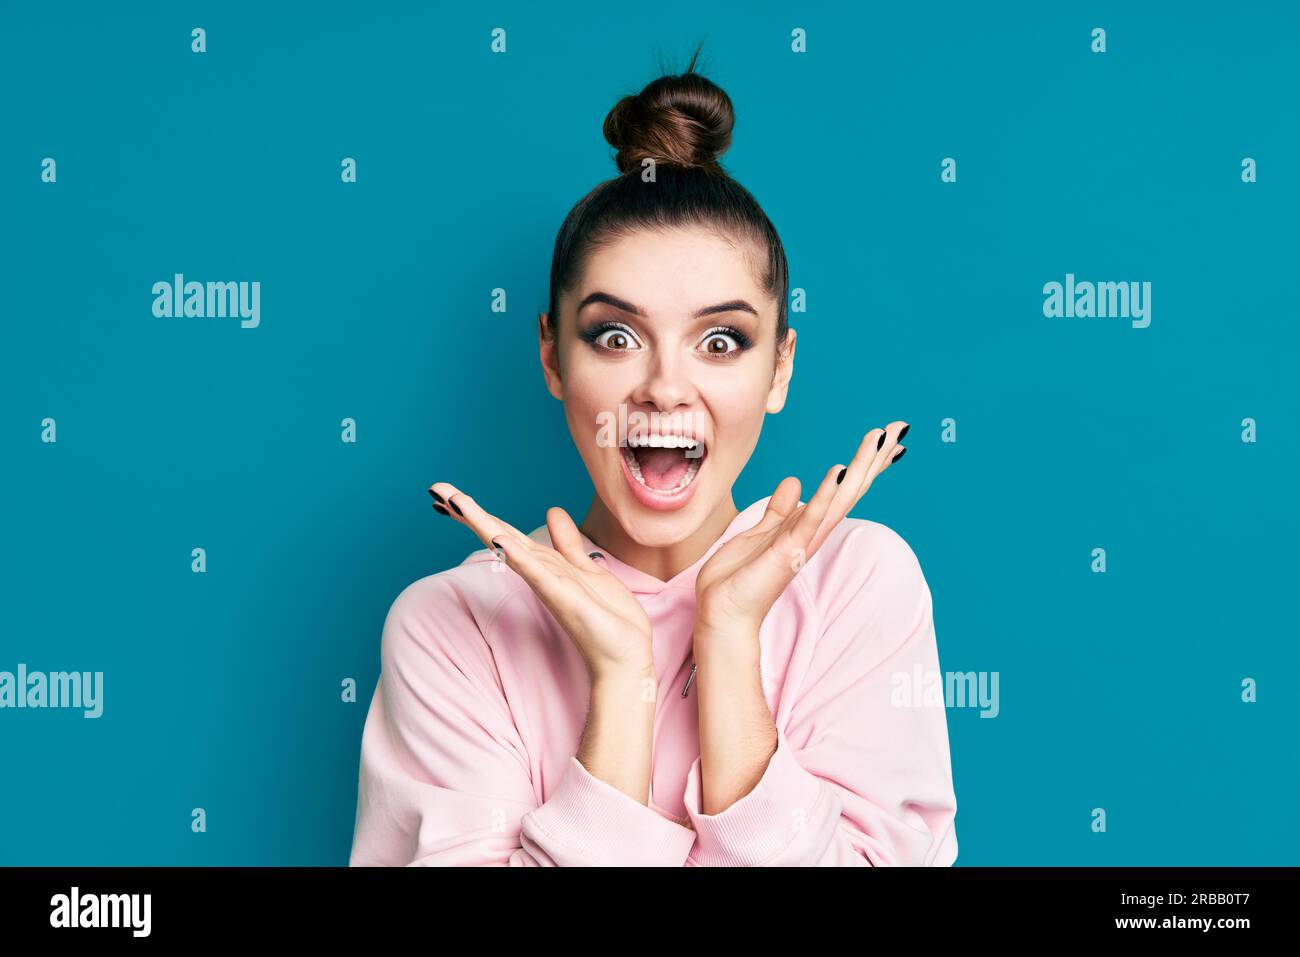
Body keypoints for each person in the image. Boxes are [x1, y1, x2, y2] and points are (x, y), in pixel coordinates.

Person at [348, 46, 958, 867]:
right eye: (615, 335)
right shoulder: (455, 629)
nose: (665, 388)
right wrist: (621, 687)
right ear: (553, 356)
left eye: (720, 340)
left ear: (779, 368)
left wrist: (731, 641)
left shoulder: (859, 585)